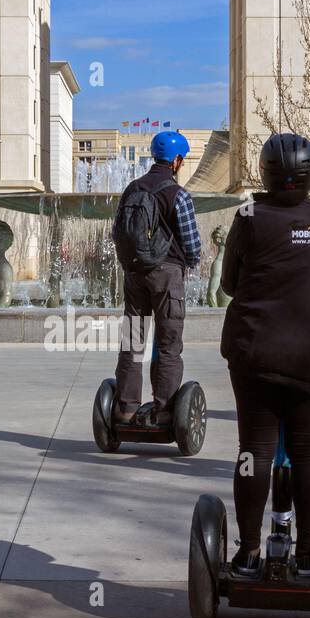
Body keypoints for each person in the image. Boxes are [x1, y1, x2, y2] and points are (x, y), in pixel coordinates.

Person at [219, 133, 310, 577]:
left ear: (265, 173)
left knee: (254, 452)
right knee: (308, 454)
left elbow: (229, 285)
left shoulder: (250, 218)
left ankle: (246, 553)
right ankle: (306, 555)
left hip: (259, 355)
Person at [111, 130, 202, 425]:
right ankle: (163, 412)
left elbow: (118, 231)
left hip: (134, 275)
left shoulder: (132, 189)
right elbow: (192, 245)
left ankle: (125, 409)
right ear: (176, 160)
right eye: (182, 160)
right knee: (168, 345)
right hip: (167, 276)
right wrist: (190, 262)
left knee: (132, 343)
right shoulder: (178, 194)